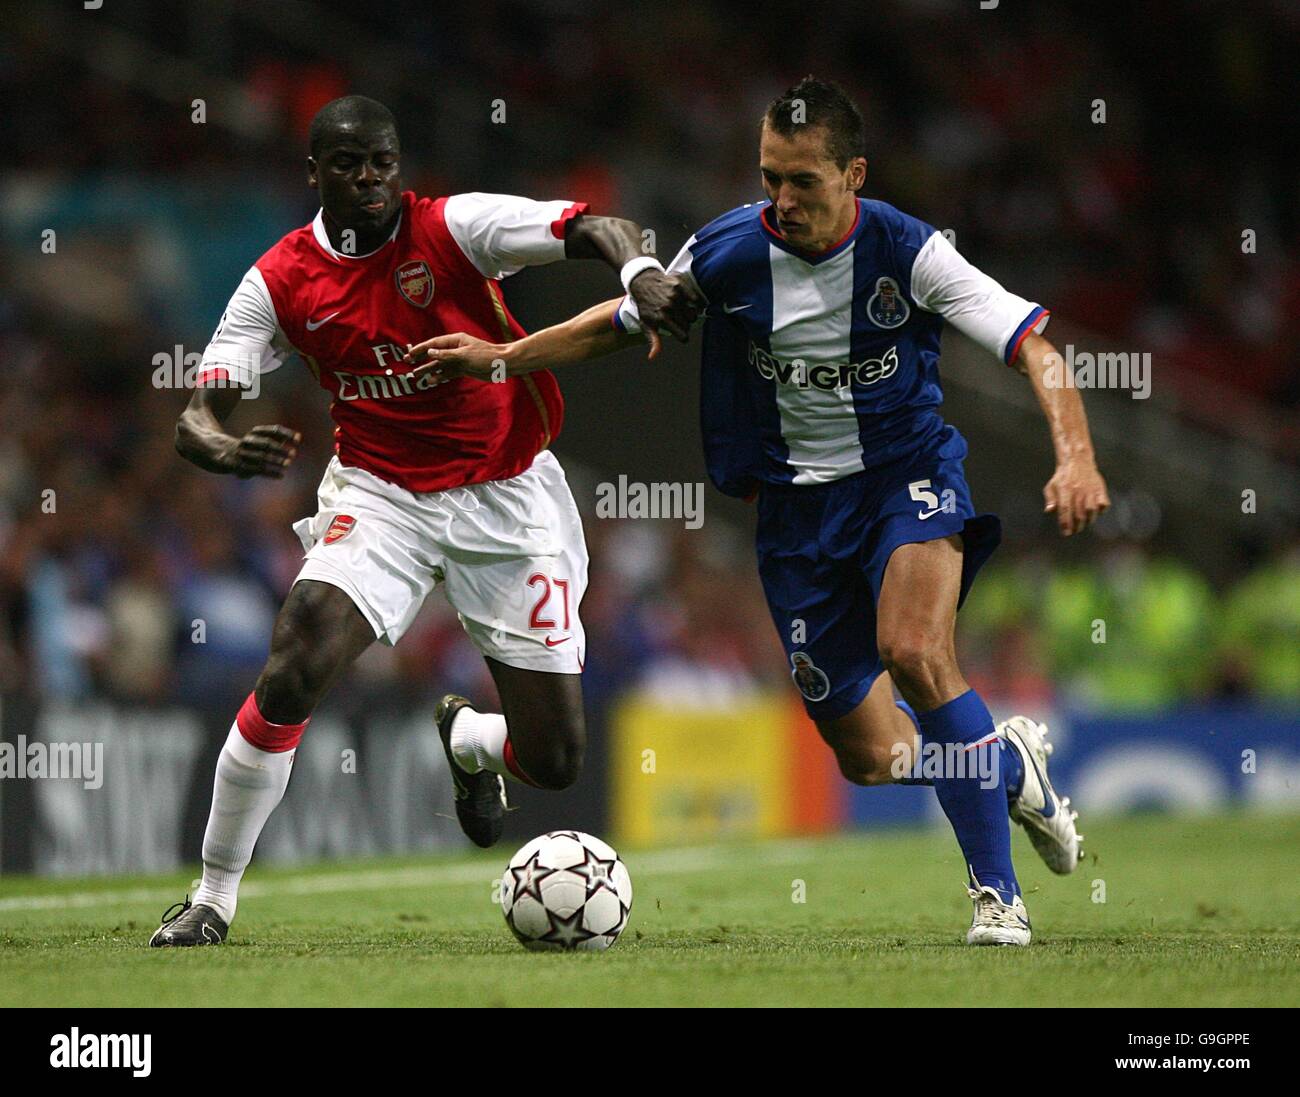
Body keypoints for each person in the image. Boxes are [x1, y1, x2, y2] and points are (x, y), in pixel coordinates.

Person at [406, 78, 1111, 945]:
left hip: (906, 477)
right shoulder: (730, 252)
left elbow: (1034, 345)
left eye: (803, 181)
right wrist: (503, 357)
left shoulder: (912, 252)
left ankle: (997, 897)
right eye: (770, 176)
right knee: (871, 756)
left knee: (916, 650)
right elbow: (622, 321)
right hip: (793, 516)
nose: (782, 200)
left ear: (854, 173)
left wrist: (1074, 456)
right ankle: (1004, 761)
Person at [150, 95, 691, 947]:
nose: (368, 179)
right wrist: (218, 448)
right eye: (348, 163)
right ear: (314, 173)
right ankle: (212, 897)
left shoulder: (457, 228)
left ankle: (471, 738)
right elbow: (197, 413)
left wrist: (640, 275)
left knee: (555, 761)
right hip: (381, 494)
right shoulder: (282, 281)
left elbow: (600, 226)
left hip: (508, 497)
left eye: (382, 162)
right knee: (295, 659)